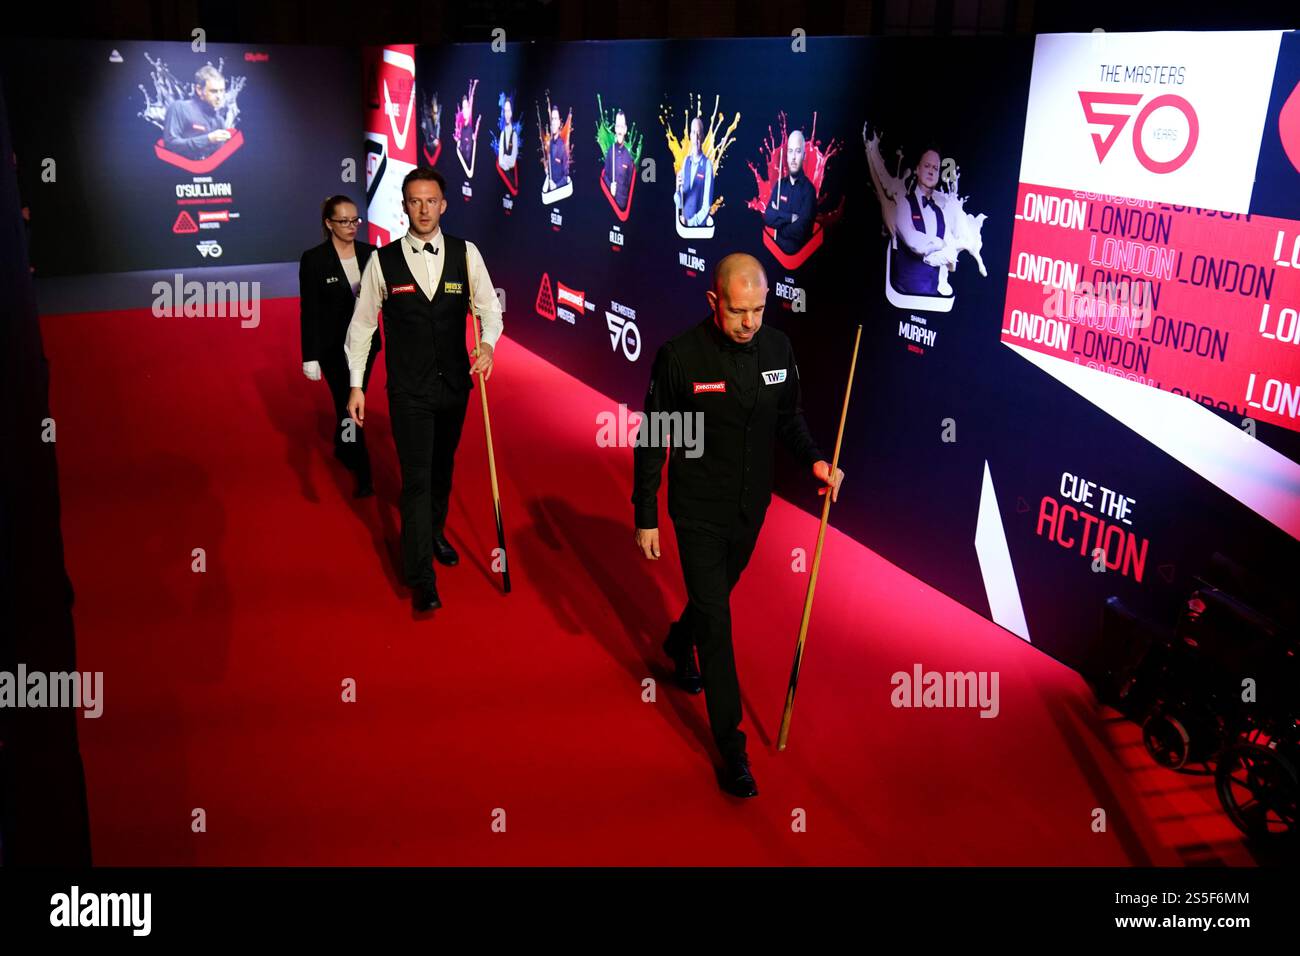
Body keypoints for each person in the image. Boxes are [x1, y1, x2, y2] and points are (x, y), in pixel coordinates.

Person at [632, 252, 844, 797]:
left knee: (711, 603)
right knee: (719, 626)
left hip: (752, 508)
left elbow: (788, 417)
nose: (750, 322)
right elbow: (655, 437)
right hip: (698, 509)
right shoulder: (681, 357)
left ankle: (679, 644)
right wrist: (647, 513)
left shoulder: (777, 348)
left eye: (758, 309)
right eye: (737, 311)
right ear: (713, 301)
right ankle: (732, 746)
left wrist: (815, 461)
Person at [343, 168, 504, 613]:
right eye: (415, 201)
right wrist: (357, 385)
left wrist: (488, 344)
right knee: (416, 478)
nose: (424, 209)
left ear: (444, 204)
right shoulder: (383, 261)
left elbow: (490, 311)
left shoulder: (466, 254)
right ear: (404, 205)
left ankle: (434, 533)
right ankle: (421, 575)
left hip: (455, 386)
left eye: (431, 200)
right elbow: (361, 328)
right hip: (408, 391)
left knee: (441, 469)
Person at [300, 196, 380, 497]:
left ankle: (343, 444)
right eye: (344, 221)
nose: (351, 227)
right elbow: (309, 310)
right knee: (349, 405)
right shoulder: (314, 259)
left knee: (349, 404)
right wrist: (310, 356)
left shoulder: (371, 253)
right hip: (333, 348)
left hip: (366, 347)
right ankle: (364, 472)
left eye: (355, 220)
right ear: (329, 223)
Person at [892, 147, 946, 295]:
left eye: (935, 168)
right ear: (917, 169)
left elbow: (950, 261)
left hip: (931, 300)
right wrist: (940, 244)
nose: (931, 171)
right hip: (904, 299)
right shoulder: (902, 204)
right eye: (927, 166)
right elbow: (915, 245)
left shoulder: (939, 213)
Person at [762, 129, 815, 254]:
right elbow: (768, 217)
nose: (794, 157)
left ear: (804, 155)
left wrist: (779, 222)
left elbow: (801, 230)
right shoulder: (780, 185)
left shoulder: (809, 191)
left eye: (798, 151)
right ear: (787, 155)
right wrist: (790, 217)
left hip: (800, 262)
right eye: (791, 151)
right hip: (775, 255)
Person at [163, 65, 230, 160]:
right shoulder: (180, 108)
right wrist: (208, 139)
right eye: (214, 91)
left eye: (222, 91)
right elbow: (170, 144)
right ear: (199, 90)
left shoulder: (220, 121)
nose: (219, 96)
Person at [675, 116, 714, 227]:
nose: (696, 137)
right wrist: (677, 189)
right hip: (684, 229)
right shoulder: (686, 162)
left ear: (702, 137)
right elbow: (680, 204)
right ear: (690, 136)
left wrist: (690, 223)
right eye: (693, 133)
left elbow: (706, 207)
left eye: (699, 133)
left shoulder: (707, 165)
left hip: (698, 232)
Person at [605, 110, 634, 211]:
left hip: (621, 207)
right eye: (618, 126)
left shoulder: (629, 158)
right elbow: (605, 176)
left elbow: (629, 185)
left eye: (622, 127)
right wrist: (609, 187)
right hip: (608, 203)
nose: (620, 130)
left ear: (625, 129)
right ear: (615, 129)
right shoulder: (610, 151)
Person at [546, 107, 570, 190]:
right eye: (552, 119)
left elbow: (566, 177)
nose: (553, 122)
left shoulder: (563, 147)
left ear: (559, 123)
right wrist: (548, 170)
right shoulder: (550, 143)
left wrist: (556, 186)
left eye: (556, 119)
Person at [498, 96, 519, 172]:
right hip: (502, 176)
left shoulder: (514, 135)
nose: (507, 114)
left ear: (511, 112)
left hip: (512, 178)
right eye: (505, 111)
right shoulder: (502, 134)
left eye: (508, 110)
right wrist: (506, 160)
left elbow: (513, 162)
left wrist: (505, 157)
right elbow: (500, 161)